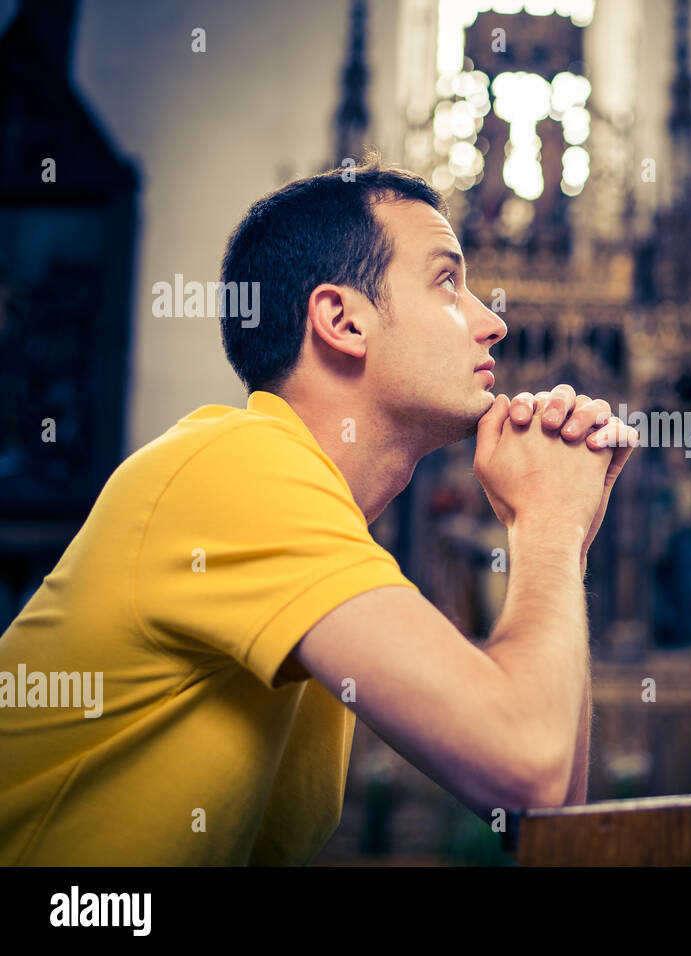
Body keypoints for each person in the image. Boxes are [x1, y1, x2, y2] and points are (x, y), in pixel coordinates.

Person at [0, 157, 638, 865]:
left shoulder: (323, 525)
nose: (492, 324)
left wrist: (558, 532)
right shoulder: (238, 465)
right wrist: (549, 520)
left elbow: (549, 814)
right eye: (447, 281)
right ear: (341, 320)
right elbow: (529, 769)